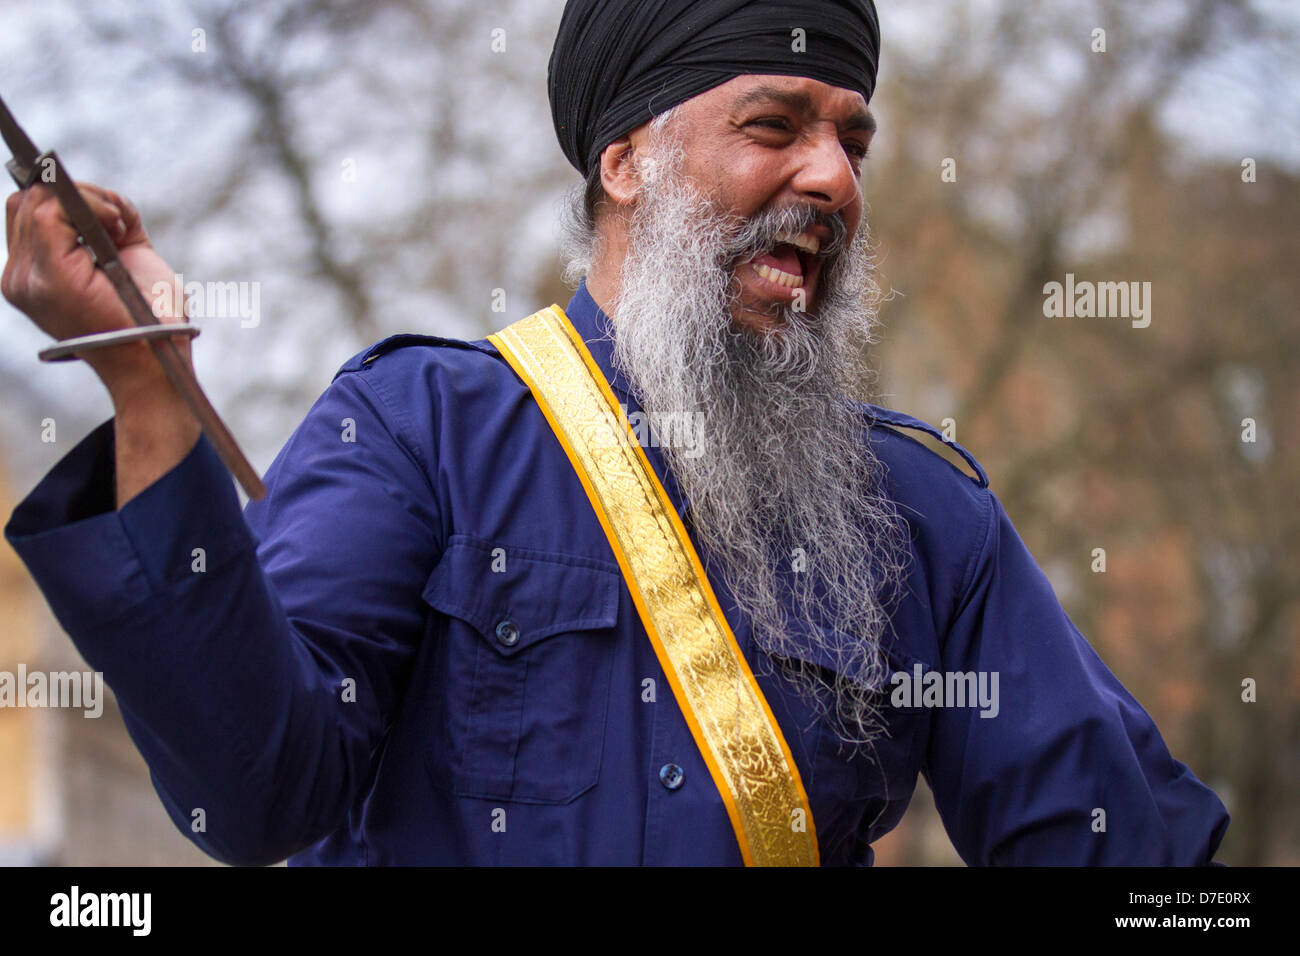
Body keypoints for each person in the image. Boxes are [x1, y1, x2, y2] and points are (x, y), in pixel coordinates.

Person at [1, 0, 1228, 866]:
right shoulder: (421, 429)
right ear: (626, 159)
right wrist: (148, 385)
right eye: (775, 125)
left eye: (853, 140)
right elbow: (253, 791)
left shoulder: (921, 511)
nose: (836, 178)